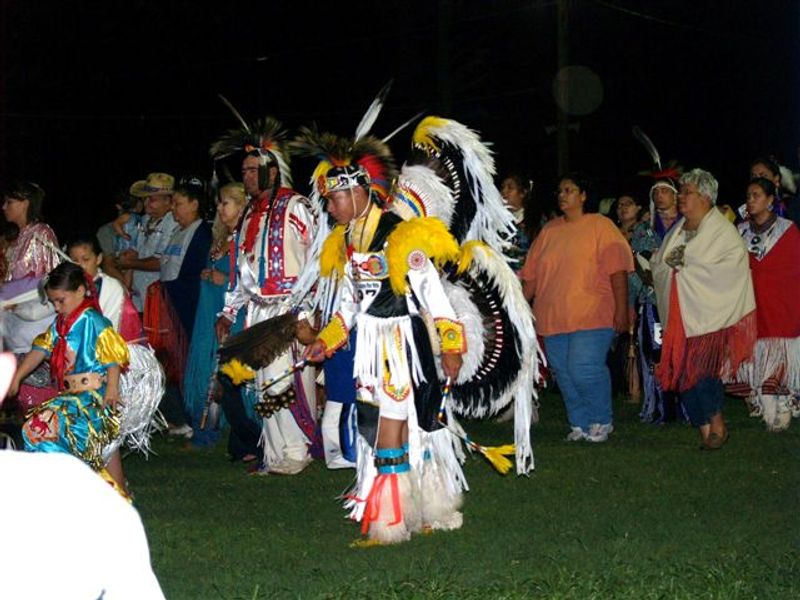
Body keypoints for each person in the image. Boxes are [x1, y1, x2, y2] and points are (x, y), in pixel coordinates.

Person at [302, 144, 467, 544]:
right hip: (369, 348)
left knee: (392, 428)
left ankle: (391, 523)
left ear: (360, 192)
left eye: (336, 199)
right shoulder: (345, 243)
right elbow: (347, 307)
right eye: (328, 201)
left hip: (402, 343)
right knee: (384, 424)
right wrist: (325, 343)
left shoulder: (400, 235)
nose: (331, 209)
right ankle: (423, 509)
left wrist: (451, 347)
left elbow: (433, 294)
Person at [213, 117, 318, 475]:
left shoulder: (297, 207)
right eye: (242, 171)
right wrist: (229, 312)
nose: (245, 177)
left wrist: (305, 313)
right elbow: (242, 270)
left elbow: (316, 261)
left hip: (290, 308)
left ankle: (296, 451)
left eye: (251, 170)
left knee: (284, 381)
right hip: (258, 311)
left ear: (272, 172)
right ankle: (274, 454)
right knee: (262, 385)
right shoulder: (247, 218)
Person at [521, 173, 633, 443]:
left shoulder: (600, 226)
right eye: (560, 191)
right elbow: (531, 277)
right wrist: (519, 309)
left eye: (569, 190)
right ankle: (579, 424)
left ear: (583, 195)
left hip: (593, 313)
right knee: (563, 371)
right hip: (553, 316)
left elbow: (618, 272)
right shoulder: (549, 231)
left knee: (584, 366)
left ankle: (601, 420)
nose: (562, 195)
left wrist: (622, 310)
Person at [651, 169, 756, 450]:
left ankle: (716, 422)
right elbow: (663, 263)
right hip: (680, 315)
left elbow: (730, 268)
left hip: (708, 313)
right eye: (682, 191)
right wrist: (665, 266)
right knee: (683, 374)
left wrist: (686, 268)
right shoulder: (678, 230)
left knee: (700, 370)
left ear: (706, 197)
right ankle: (703, 426)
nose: (681, 197)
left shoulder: (722, 232)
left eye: (687, 192)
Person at [10, 262, 130, 492]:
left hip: (93, 396)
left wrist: (113, 390)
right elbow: (40, 350)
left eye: (60, 301)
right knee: (103, 447)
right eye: (53, 302)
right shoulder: (61, 325)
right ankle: (118, 493)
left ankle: (75, 486)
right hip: (73, 395)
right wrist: (18, 377)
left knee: (43, 427)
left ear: (80, 291)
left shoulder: (93, 321)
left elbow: (112, 359)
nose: (56, 307)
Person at [727, 177, 800, 431]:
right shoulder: (740, 231)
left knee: (780, 353)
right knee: (758, 355)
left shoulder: (787, 229)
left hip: (781, 304)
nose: (751, 200)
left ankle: (782, 404)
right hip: (751, 304)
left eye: (757, 195)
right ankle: (768, 405)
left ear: (770, 200)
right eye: (748, 195)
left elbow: (793, 269)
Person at [183, 182, 251, 450]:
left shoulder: (248, 239)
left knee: (228, 374)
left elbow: (248, 281)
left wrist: (223, 279)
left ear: (241, 206)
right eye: (219, 204)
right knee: (204, 370)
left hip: (233, 314)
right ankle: (205, 430)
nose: (220, 209)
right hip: (209, 311)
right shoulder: (220, 239)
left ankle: (242, 432)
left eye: (226, 203)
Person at [148, 178, 213, 436]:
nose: (174, 209)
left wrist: (168, 290)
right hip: (172, 308)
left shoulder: (202, 234)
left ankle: (199, 419)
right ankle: (184, 417)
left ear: (195, 204)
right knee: (173, 365)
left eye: (179, 204)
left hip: (189, 309)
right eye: (173, 204)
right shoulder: (179, 231)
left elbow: (193, 276)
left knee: (189, 363)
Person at [1, 181, 60, 354]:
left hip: (33, 322)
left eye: (9, 202)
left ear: (25, 203)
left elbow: (51, 277)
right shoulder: (19, 237)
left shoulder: (41, 234)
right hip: (14, 317)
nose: (4, 207)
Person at [116, 172, 179, 313]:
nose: (146, 204)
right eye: (145, 199)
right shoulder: (144, 221)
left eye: (152, 200)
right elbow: (137, 252)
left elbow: (160, 262)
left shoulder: (173, 222)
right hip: (139, 299)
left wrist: (129, 263)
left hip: (159, 301)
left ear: (168, 201)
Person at [500, 173, 540, 269]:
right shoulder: (496, 221)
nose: (504, 192)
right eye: (502, 187)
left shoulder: (535, 221)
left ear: (523, 193)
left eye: (510, 188)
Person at [750, 156, 799, 226]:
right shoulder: (746, 214)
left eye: (763, 176)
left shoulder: (792, 207)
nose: (758, 181)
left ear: (776, 179)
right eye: (754, 177)